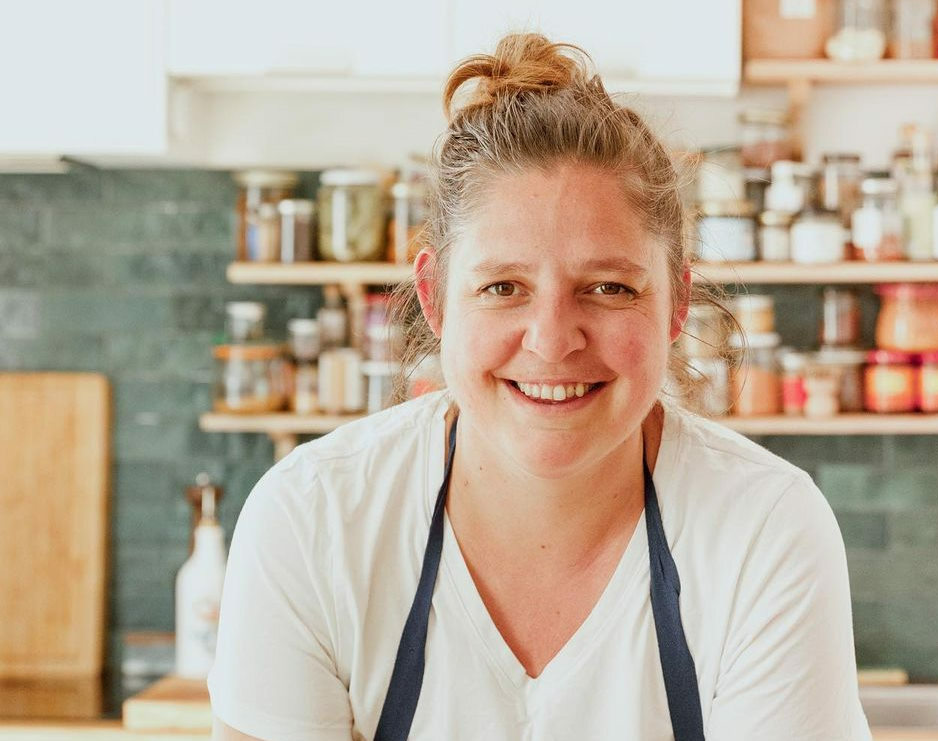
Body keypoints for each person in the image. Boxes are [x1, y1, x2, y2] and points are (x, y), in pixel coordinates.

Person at [208, 33, 872, 741]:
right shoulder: (313, 521)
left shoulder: (764, 531)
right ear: (434, 297)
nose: (553, 339)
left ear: (677, 303)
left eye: (609, 286)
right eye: (503, 286)